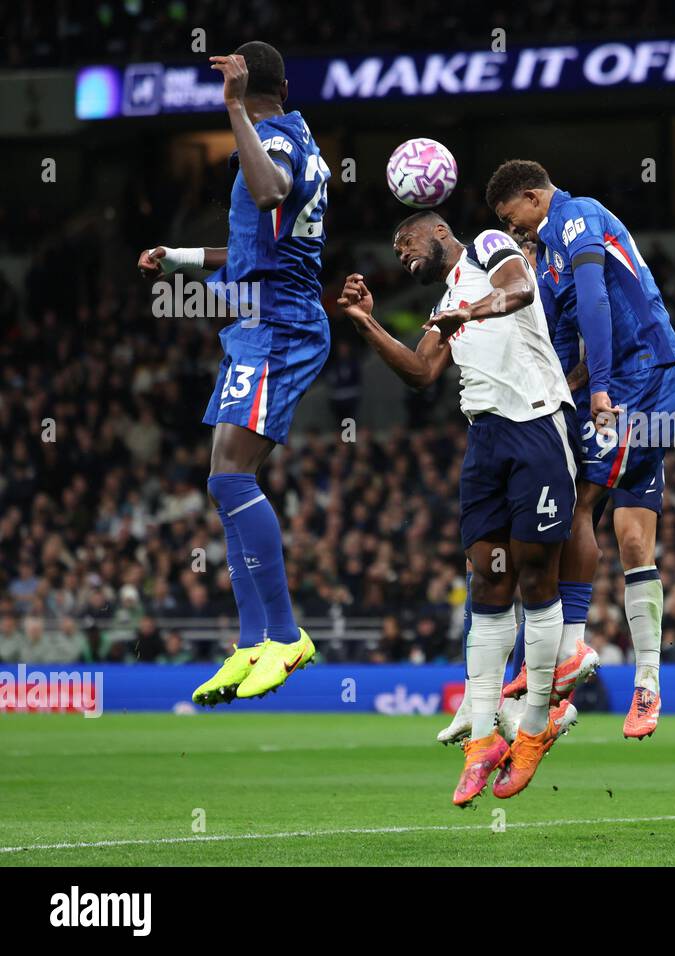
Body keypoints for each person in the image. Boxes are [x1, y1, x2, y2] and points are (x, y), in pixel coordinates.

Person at [338, 211, 578, 805]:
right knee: (487, 581)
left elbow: (520, 290)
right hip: (486, 441)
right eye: (394, 247)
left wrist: (469, 313)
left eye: (407, 240)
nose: (401, 253)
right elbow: (421, 372)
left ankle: (533, 727)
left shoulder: (489, 249)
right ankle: (481, 740)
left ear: (440, 232)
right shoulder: (446, 299)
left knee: (536, 578)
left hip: (537, 429)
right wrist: (366, 324)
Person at [136, 42, 327, 705]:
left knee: (230, 474)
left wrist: (231, 109)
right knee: (224, 479)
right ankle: (251, 643)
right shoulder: (286, 136)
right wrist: (180, 258)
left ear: (249, 86)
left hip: (278, 325)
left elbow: (271, 189)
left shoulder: (271, 142)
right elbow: (247, 247)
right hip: (258, 322)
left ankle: (284, 634)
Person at [487, 159, 675, 738]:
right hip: (615, 383)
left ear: (533, 197)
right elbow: (554, 336)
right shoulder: (545, 256)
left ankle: (591, 663)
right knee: (580, 516)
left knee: (587, 510)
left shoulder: (575, 217)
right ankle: (553, 681)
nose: (517, 230)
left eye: (513, 218)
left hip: (645, 378)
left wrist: (597, 383)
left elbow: (597, 302)